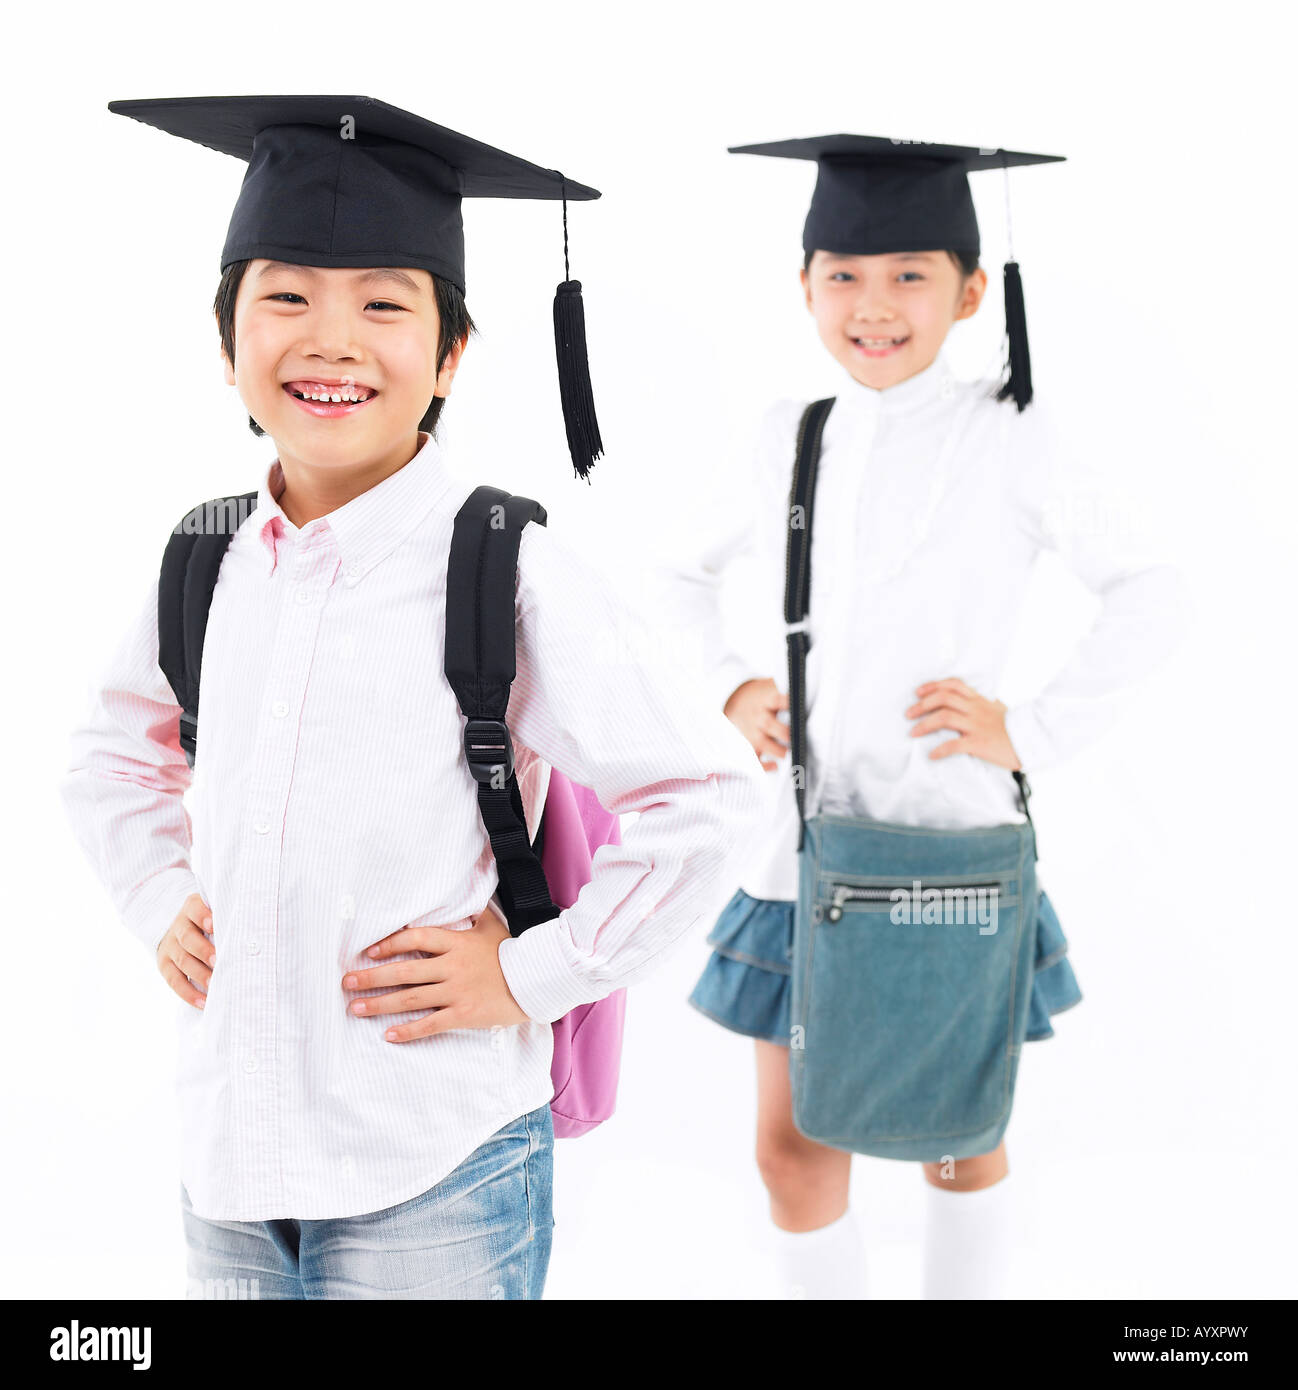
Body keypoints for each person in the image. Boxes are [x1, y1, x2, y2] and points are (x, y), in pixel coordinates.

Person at [60, 95, 763, 1301]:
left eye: (385, 304)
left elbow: (706, 796)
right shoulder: (203, 560)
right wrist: (157, 893)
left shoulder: (504, 565)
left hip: (430, 1159)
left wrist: (532, 973)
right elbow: (111, 759)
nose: (331, 340)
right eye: (285, 297)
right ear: (225, 342)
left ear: (447, 357)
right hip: (228, 1158)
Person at [654, 134, 1190, 1299]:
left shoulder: (1012, 435)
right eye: (841, 273)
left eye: (908, 274)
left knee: (956, 1133)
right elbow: (667, 576)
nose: (872, 304)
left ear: (968, 289)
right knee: (792, 1149)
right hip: (804, 853)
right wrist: (731, 683)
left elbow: (1149, 585)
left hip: (947, 840)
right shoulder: (784, 440)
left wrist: (1029, 731)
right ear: (802, 287)